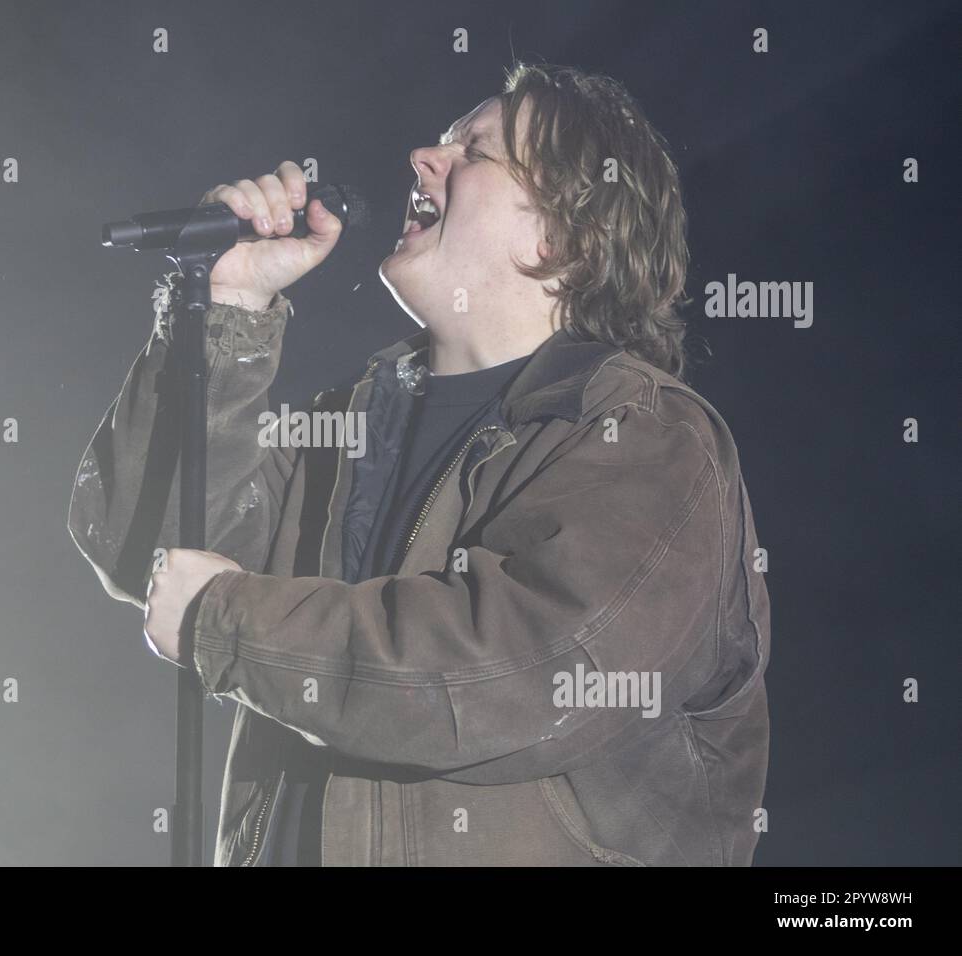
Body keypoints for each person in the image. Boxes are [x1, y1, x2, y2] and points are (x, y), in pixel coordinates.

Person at [68, 61, 770, 866]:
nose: (421, 159)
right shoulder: (348, 426)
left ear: (564, 233)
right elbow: (145, 546)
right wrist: (227, 309)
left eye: (473, 149)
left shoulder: (643, 439)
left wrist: (230, 622)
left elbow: (513, 677)